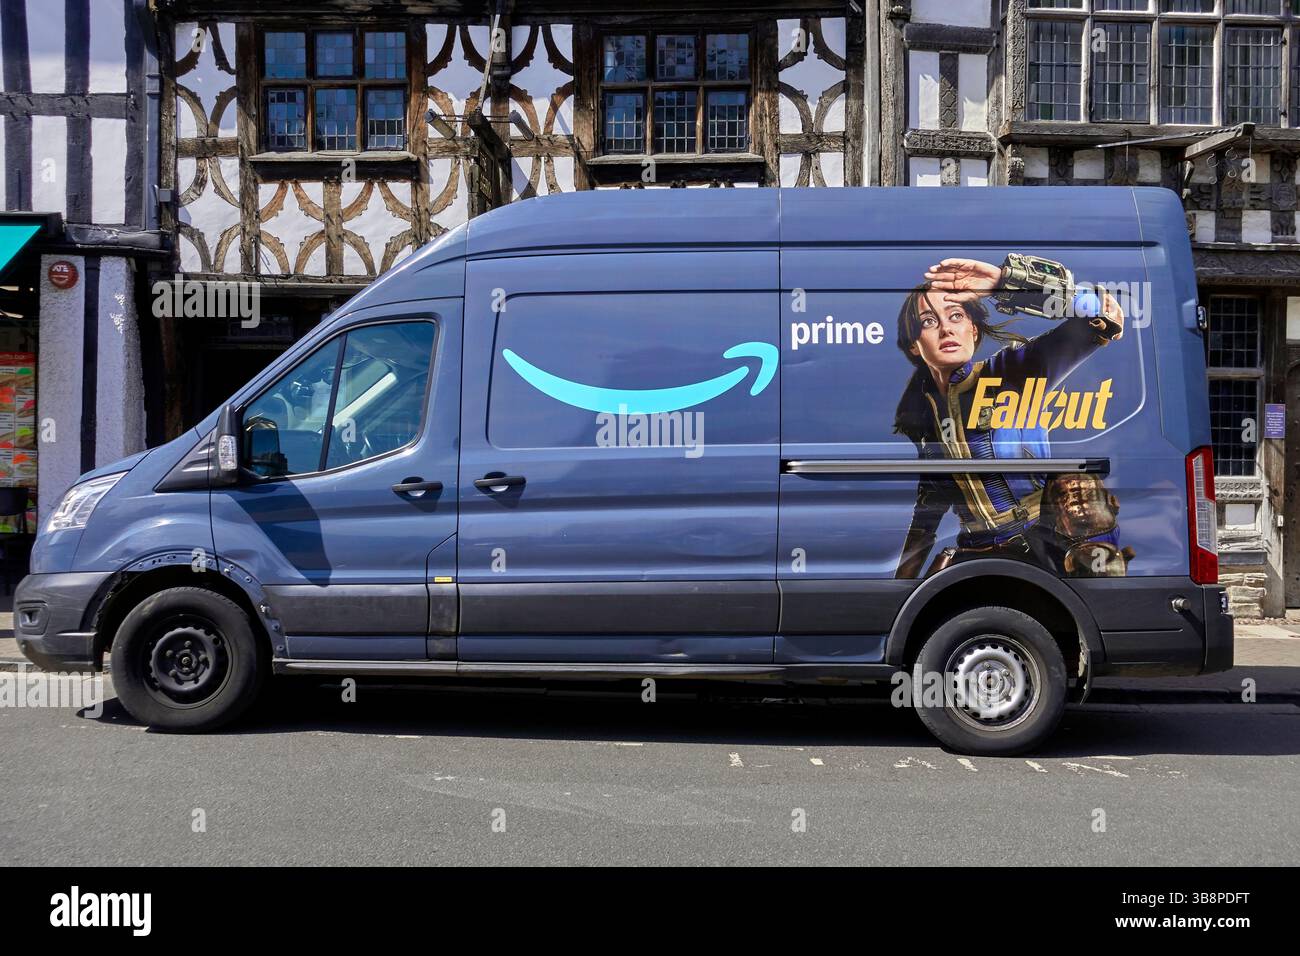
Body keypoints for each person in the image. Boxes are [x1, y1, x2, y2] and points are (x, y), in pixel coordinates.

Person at [892, 255, 1128, 579]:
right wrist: (899, 587)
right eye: (929, 321)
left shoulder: (1010, 370)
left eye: (955, 315)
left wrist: (1008, 282)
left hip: (1039, 545)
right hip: (974, 555)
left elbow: (1105, 315)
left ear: (973, 330)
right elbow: (928, 510)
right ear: (915, 345)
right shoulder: (925, 412)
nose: (946, 328)